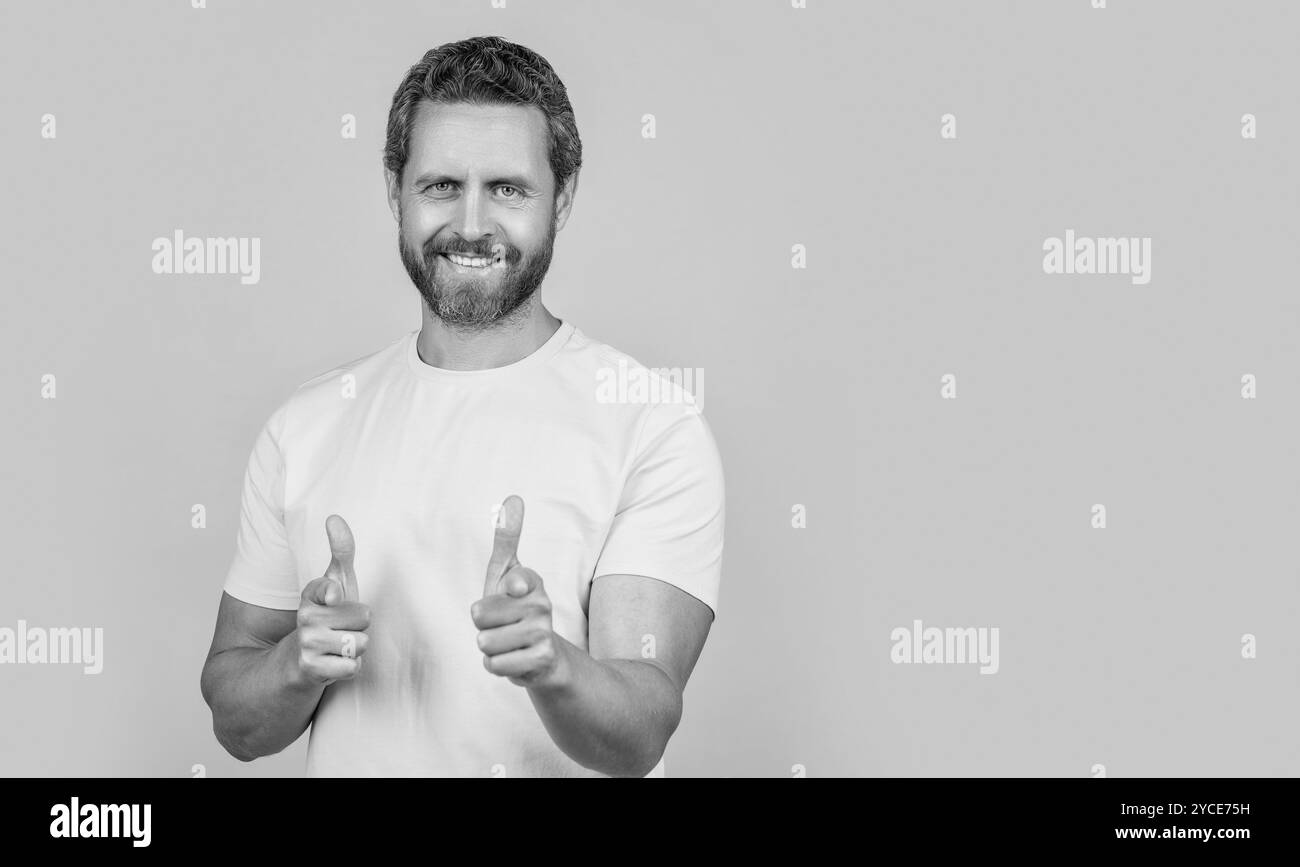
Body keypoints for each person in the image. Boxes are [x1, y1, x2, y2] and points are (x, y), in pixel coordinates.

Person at [199, 35, 725, 777]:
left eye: (508, 188)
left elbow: (643, 726)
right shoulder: (307, 425)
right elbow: (234, 718)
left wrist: (553, 666)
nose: (472, 223)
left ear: (563, 198)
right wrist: (295, 663)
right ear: (396, 190)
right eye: (442, 184)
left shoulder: (650, 425)